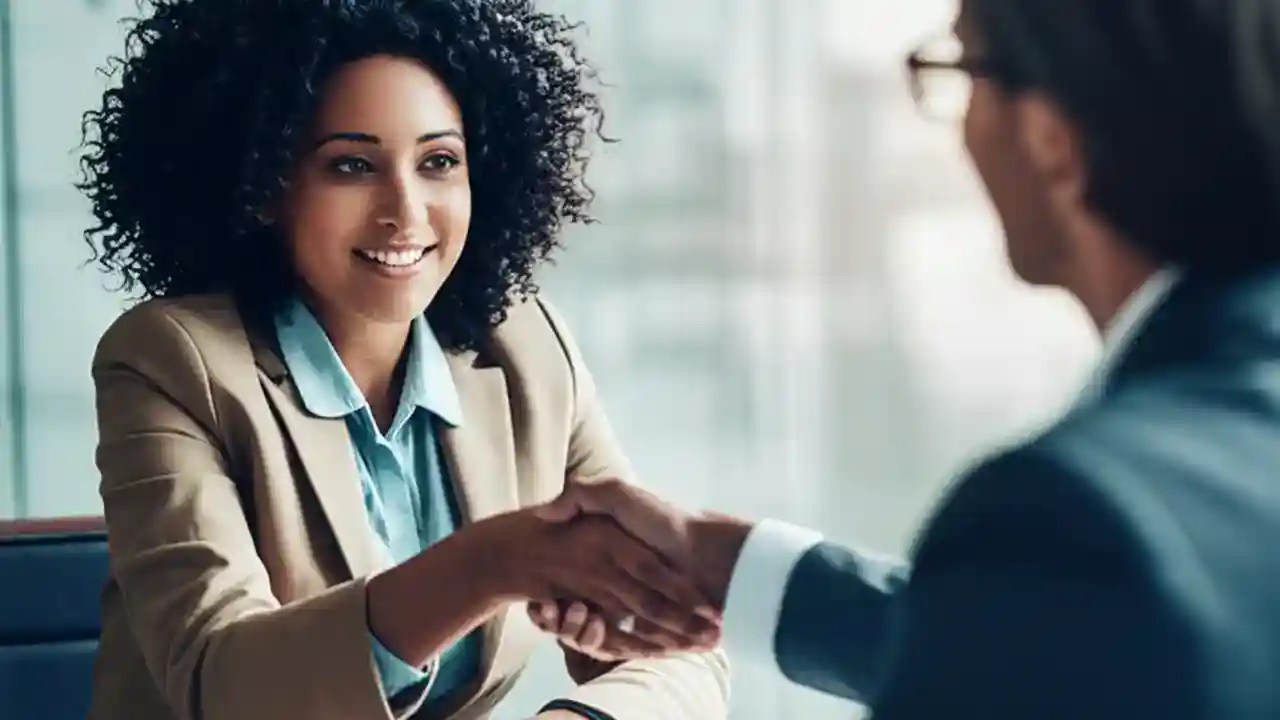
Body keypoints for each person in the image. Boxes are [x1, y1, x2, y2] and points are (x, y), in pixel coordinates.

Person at [530, 0, 1280, 717]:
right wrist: (728, 568)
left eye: (961, 69)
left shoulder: (1079, 511)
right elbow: (1075, 652)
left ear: (1050, 139)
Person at [78, 2, 727, 719]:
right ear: (265, 185)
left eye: (438, 163)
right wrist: (492, 563)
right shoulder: (172, 363)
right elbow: (225, 686)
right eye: (352, 166)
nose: (406, 212)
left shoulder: (524, 349)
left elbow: (682, 649)